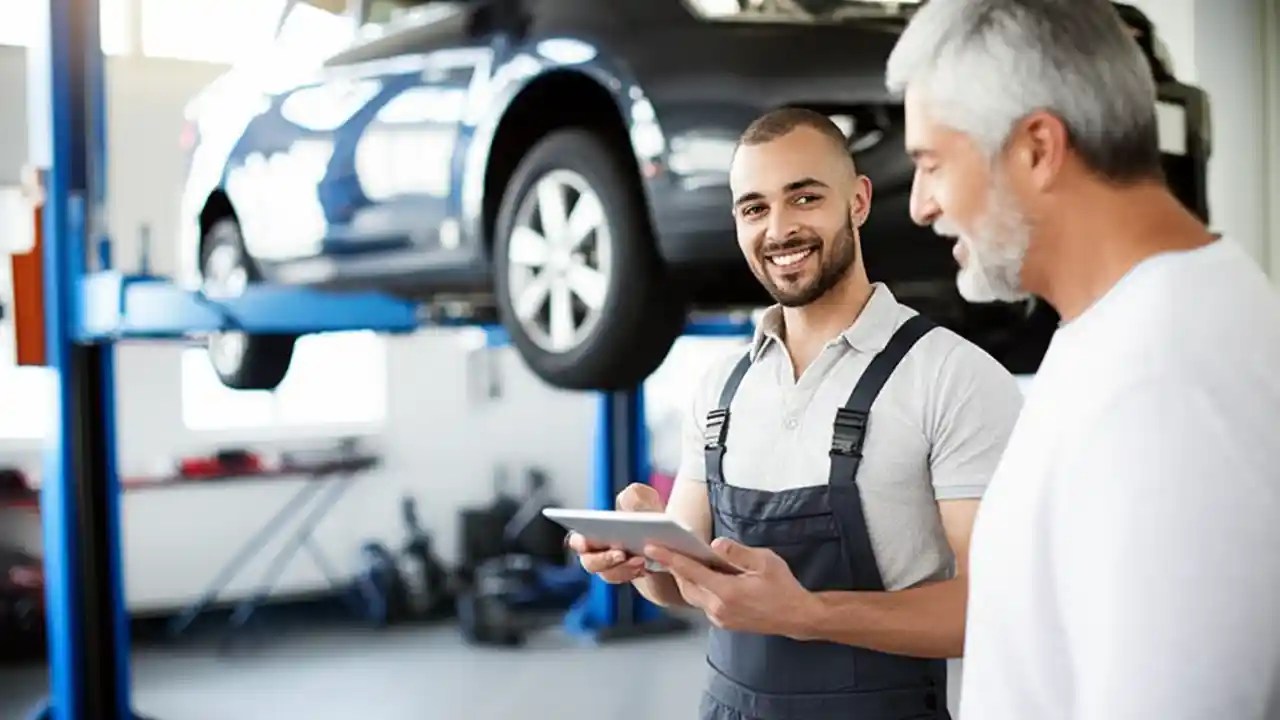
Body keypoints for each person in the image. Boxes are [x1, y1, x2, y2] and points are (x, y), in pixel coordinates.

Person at [885, 1, 1280, 718]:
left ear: (1038, 147)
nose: (920, 205)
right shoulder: (1113, 329)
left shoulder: (1167, 384)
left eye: (931, 163)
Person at [568, 107, 1024, 720]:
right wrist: (644, 557)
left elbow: (994, 610)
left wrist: (805, 615)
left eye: (804, 198)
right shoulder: (720, 389)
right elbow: (685, 589)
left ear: (858, 201)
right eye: (754, 208)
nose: (778, 229)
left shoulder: (952, 378)